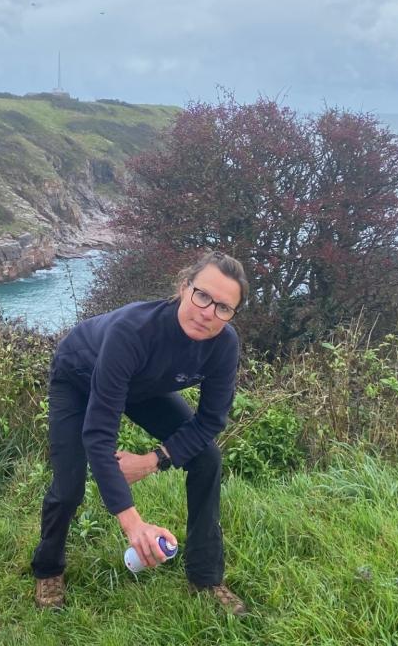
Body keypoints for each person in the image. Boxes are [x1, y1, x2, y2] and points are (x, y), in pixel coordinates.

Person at [31, 250, 249, 615]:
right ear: (184, 288)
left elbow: (211, 420)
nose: (209, 312)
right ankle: (48, 567)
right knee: (69, 487)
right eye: (203, 296)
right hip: (78, 377)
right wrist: (134, 525)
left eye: (223, 308)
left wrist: (154, 460)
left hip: (141, 387)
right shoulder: (133, 331)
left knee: (207, 457)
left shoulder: (224, 344)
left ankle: (206, 577)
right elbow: (99, 435)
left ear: (231, 314)